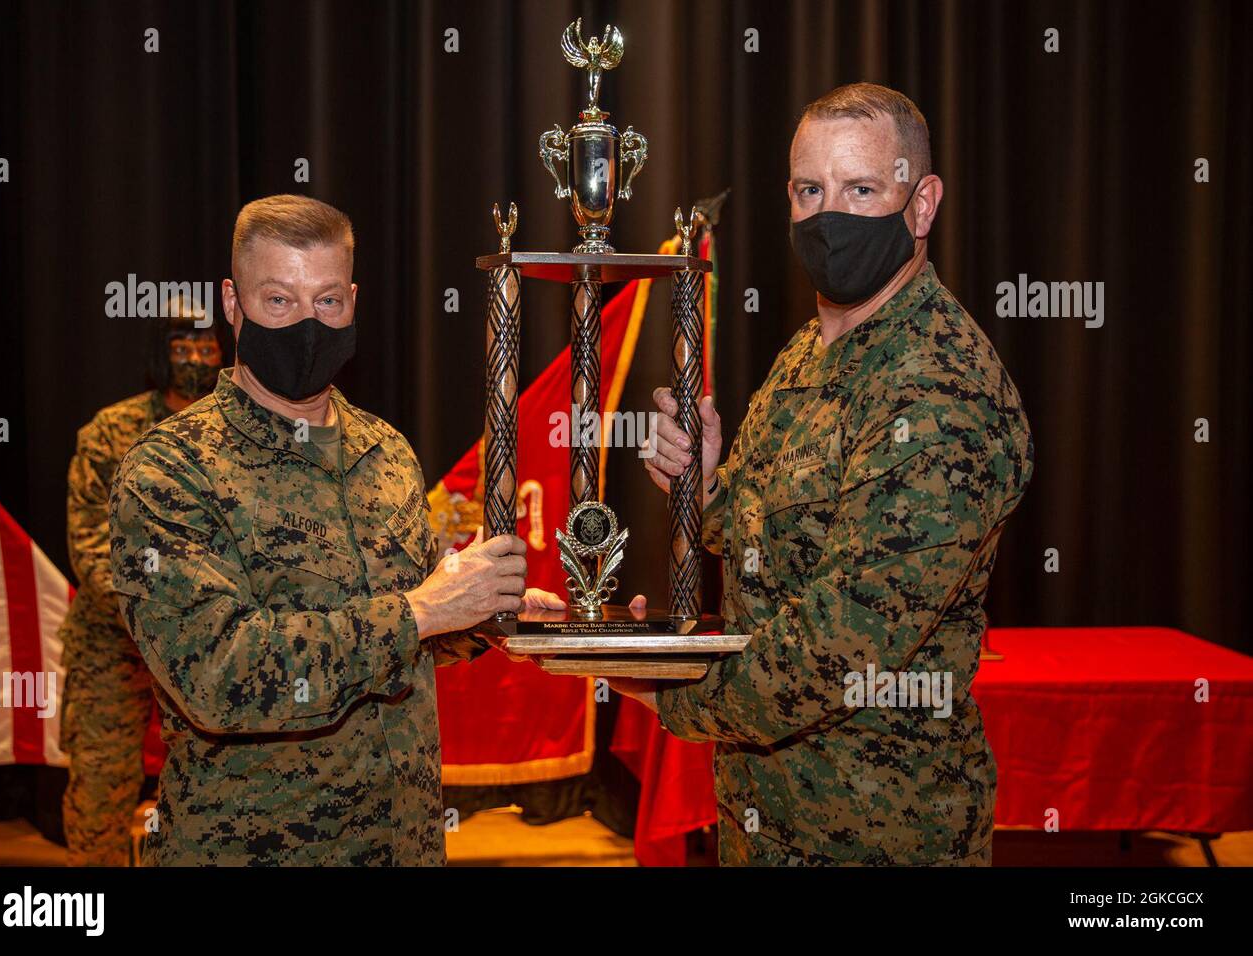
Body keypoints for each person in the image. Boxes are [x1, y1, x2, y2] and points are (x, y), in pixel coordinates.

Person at [626, 83, 1034, 865]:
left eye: (862, 190)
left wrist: (667, 690)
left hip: (882, 836)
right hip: (763, 821)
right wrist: (707, 491)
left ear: (921, 204)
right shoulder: (807, 352)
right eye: (812, 190)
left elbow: (840, 646)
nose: (830, 216)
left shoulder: (942, 391)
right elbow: (775, 542)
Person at [108, 194, 552, 865]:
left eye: (327, 303)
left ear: (353, 302)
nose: (306, 326)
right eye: (279, 301)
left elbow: (417, 630)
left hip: (401, 845)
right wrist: (418, 613)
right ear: (233, 304)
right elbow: (216, 677)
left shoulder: (387, 452)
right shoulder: (171, 470)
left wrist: (488, 615)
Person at [60, 297, 225, 865]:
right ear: (160, 353)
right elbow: (88, 543)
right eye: (183, 347)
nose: (197, 358)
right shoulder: (112, 431)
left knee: (219, 787)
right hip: (116, 637)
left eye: (207, 347)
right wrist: (148, 617)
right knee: (102, 782)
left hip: (211, 637)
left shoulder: (239, 433)